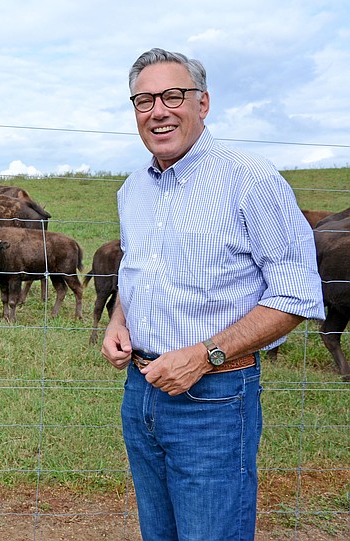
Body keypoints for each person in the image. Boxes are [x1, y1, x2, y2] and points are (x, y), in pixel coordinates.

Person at [100, 48, 325, 540]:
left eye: (172, 96)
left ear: (202, 103)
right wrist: (119, 321)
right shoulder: (133, 189)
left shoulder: (251, 179)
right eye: (144, 100)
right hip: (140, 391)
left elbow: (297, 295)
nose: (157, 111)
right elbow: (138, 270)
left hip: (215, 398)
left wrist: (204, 356)